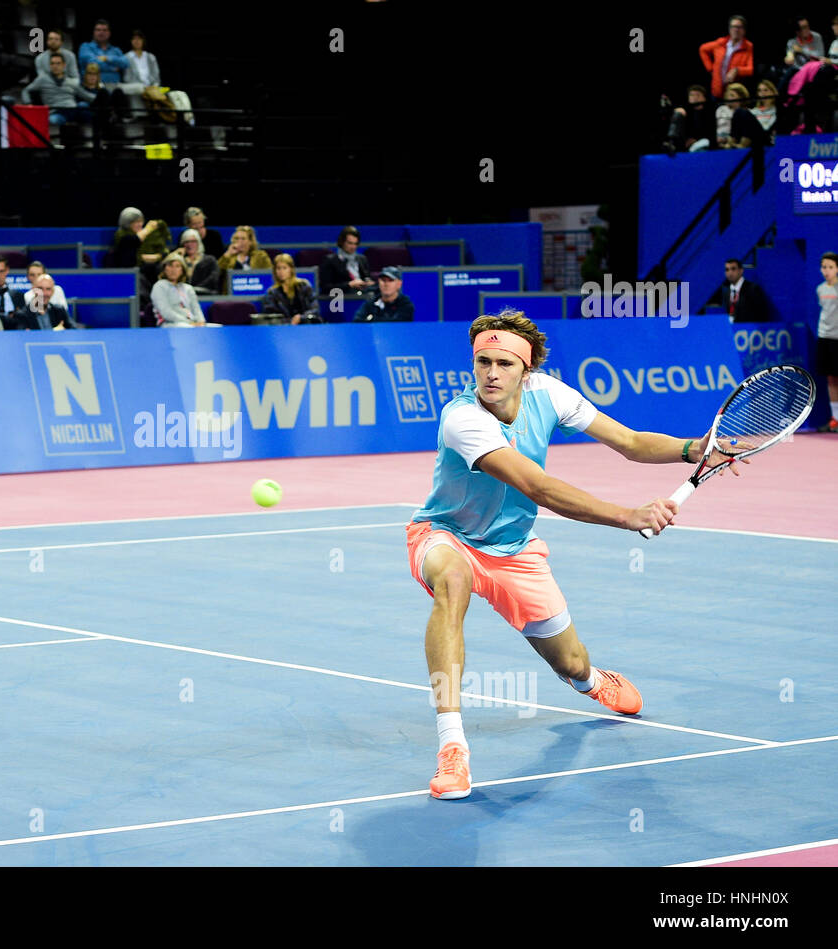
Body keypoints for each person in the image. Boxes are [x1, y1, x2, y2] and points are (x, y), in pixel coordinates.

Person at [408, 310, 740, 799]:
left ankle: (588, 681)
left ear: (527, 370)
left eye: (504, 363)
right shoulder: (463, 419)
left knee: (570, 662)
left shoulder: (550, 395)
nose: (492, 373)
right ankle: (452, 748)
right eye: (483, 362)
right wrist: (628, 515)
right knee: (452, 582)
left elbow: (629, 442)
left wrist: (695, 449)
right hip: (445, 535)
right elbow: (537, 486)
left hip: (514, 550)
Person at [24, 51, 93, 125]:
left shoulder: (70, 81)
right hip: (56, 112)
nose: (55, 66)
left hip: (73, 110)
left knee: (84, 105)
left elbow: (86, 95)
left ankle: (94, 134)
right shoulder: (42, 79)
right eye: (52, 63)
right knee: (54, 120)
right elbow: (26, 91)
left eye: (58, 63)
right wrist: (28, 103)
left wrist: (101, 97)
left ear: (64, 65)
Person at [699, 15, 753, 101]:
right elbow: (702, 49)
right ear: (729, 28)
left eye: (739, 27)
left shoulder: (748, 46)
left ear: (744, 30)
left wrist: (736, 70)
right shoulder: (721, 43)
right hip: (717, 89)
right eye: (733, 26)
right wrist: (711, 69)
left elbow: (750, 69)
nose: (736, 29)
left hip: (734, 92)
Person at [259, 253, 320, 324]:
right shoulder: (272, 293)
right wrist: (290, 322)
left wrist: (301, 318)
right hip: (283, 329)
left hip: (306, 325)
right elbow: (271, 315)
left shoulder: (303, 286)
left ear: (291, 269)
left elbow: (315, 309)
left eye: (284, 268)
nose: (281, 272)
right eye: (278, 268)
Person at [815, 251, 838, 432]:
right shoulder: (820, 289)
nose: (826, 270)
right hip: (825, 337)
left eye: (830, 267)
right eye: (824, 267)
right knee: (830, 379)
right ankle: (835, 419)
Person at [151, 253, 205, 326]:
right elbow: (166, 312)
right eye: (170, 266)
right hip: (170, 324)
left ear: (182, 270)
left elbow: (196, 308)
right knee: (185, 327)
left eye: (177, 266)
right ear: (164, 269)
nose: (173, 269)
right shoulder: (159, 286)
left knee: (215, 327)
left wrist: (201, 321)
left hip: (192, 323)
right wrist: (189, 323)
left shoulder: (188, 288)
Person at [8, 273, 76, 331]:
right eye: (40, 289)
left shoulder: (59, 310)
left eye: (48, 289)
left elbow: (74, 330)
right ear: (34, 290)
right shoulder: (22, 315)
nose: (44, 293)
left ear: (52, 292)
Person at [319, 225, 373, 295]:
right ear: (342, 242)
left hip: (363, 295)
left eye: (356, 244)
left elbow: (367, 277)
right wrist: (349, 285)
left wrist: (368, 282)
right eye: (350, 243)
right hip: (343, 298)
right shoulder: (330, 260)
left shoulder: (362, 259)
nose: (353, 247)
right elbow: (325, 288)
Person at [664, 84, 716, 152]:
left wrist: (696, 139)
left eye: (697, 95)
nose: (694, 97)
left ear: (704, 97)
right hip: (686, 144)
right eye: (691, 95)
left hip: (704, 143)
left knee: (704, 142)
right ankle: (671, 143)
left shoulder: (710, 111)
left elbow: (711, 131)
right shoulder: (685, 111)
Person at [78, 19, 127, 86]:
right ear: (94, 32)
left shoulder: (115, 50)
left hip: (115, 87)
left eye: (104, 30)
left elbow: (125, 63)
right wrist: (113, 68)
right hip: (93, 88)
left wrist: (108, 58)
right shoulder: (86, 47)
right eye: (98, 30)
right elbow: (92, 65)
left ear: (109, 33)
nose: (101, 33)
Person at [720, 82, 765, 149]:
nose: (729, 98)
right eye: (728, 95)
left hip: (756, 140)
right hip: (727, 139)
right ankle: (731, 144)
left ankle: (742, 144)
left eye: (732, 95)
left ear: (741, 97)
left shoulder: (750, 112)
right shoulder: (721, 110)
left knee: (739, 111)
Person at [176, 228, 220, 294]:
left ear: (199, 243)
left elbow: (213, 278)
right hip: (182, 294)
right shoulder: (179, 261)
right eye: (186, 242)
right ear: (182, 244)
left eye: (193, 241)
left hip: (206, 294)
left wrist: (193, 289)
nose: (189, 244)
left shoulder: (210, 260)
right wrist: (176, 255)